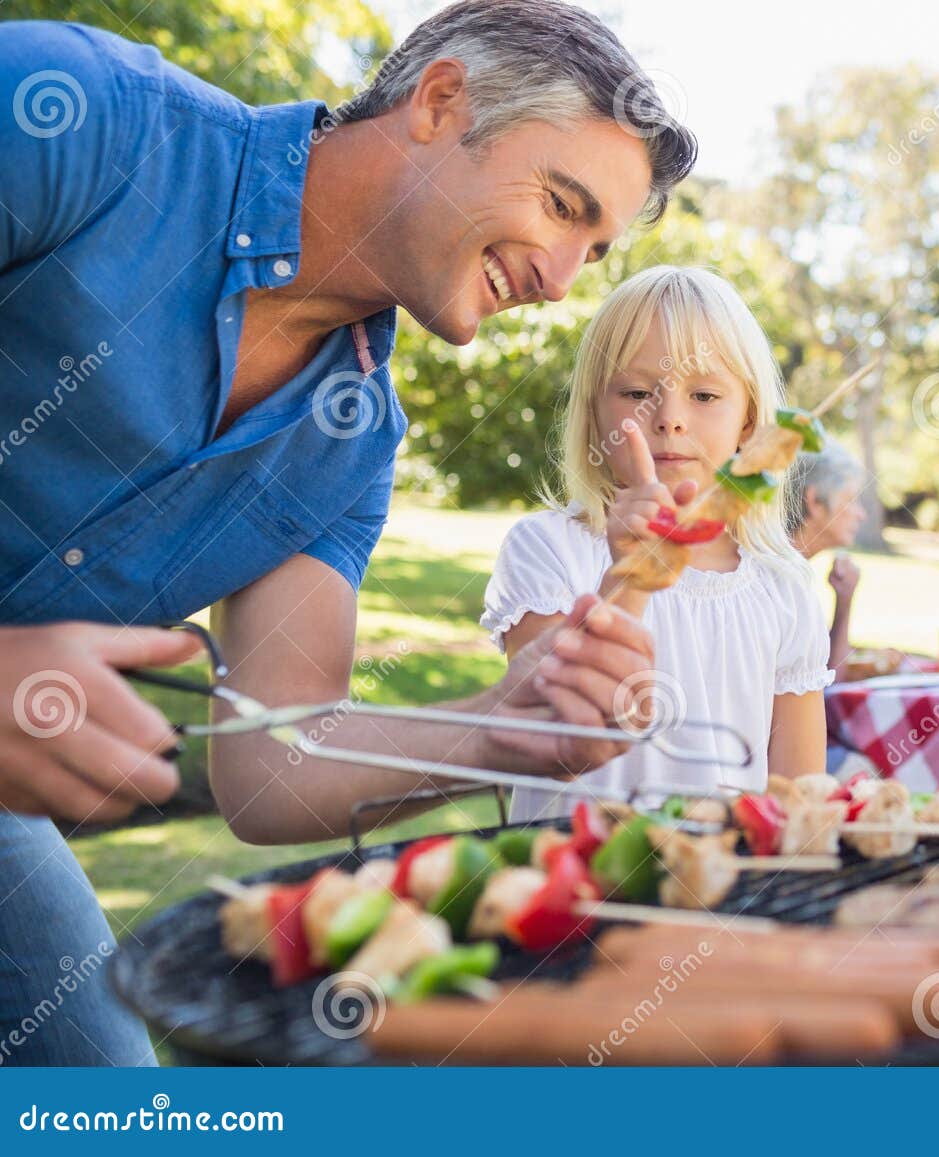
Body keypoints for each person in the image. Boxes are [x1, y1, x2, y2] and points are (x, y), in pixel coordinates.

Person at [0, 2, 693, 1064]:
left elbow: (275, 764)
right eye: (561, 206)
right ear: (440, 101)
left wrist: (504, 729)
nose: (559, 280)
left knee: (104, 1092)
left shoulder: (353, 442)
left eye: (589, 252)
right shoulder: (84, 119)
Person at [481, 266, 832, 817]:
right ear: (595, 415)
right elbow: (553, 734)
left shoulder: (783, 587)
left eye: (705, 394)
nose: (668, 418)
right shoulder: (549, 550)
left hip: (722, 893)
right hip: (573, 886)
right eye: (638, 392)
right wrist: (632, 572)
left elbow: (799, 797)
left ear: (749, 423)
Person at [787, 441, 869, 675]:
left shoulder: (795, 573)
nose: (861, 514)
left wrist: (845, 601)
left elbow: (824, 674)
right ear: (814, 501)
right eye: (852, 500)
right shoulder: (781, 580)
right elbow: (826, 688)